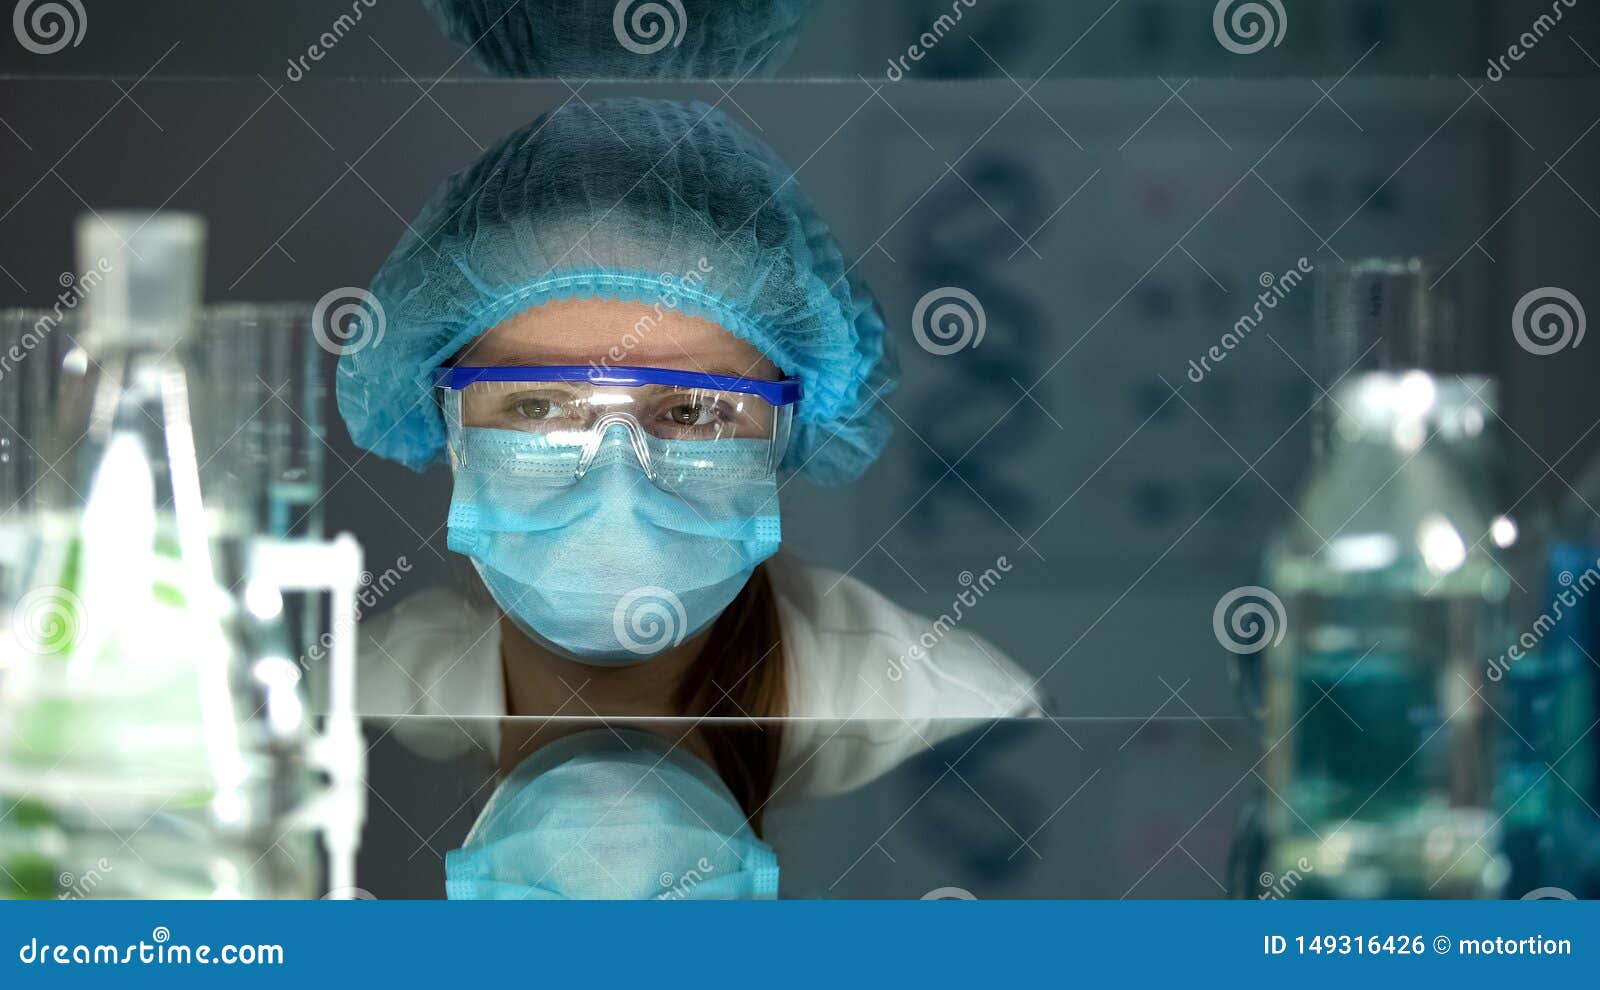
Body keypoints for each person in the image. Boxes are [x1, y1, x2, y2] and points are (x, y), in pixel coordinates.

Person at [338, 97, 1042, 827]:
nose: (616, 480)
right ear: (451, 432)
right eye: (539, 406)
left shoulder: (963, 720)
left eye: (692, 412)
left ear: (783, 435)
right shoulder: (336, 709)